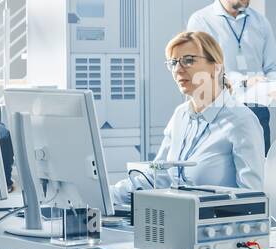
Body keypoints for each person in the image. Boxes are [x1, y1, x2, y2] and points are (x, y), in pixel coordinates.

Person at [110, 31, 265, 207]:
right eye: (173, 62)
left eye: (188, 60)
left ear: (216, 67)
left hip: (216, 226)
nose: (177, 69)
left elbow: (252, 200)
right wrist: (108, 195)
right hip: (177, 220)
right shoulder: (181, 115)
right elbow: (158, 177)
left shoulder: (240, 121)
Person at [186, 0, 276, 151]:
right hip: (219, 111)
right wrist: (244, 82)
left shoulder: (260, 22)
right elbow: (201, 72)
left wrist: (273, 84)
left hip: (256, 111)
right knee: (221, 172)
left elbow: (273, 66)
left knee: (261, 171)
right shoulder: (201, 21)